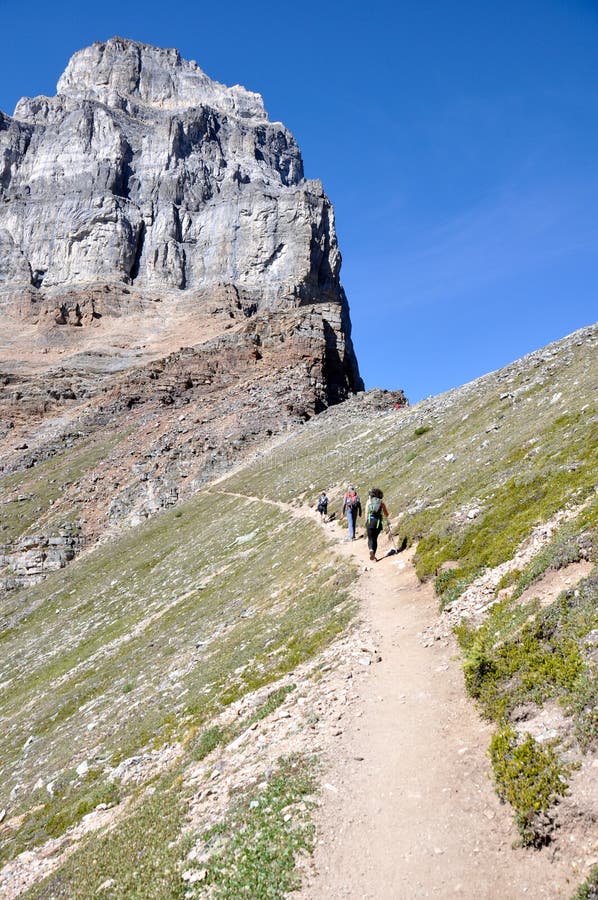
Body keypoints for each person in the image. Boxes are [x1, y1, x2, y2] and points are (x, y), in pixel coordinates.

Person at [365, 488, 389, 561]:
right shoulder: (381, 502)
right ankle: (374, 555)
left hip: (370, 521)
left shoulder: (368, 501)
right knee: (375, 539)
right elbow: (386, 514)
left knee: (370, 538)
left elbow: (366, 513)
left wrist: (366, 523)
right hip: (377, 523)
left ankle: (370, 550)